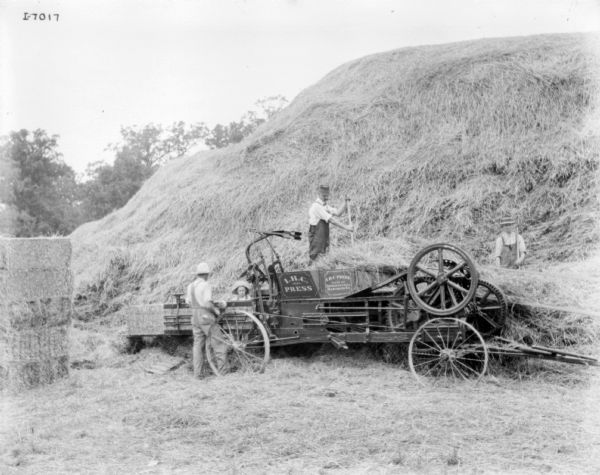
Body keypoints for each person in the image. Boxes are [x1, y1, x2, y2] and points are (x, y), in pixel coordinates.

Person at [185, 262, 228, 378]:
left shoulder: (190, 286)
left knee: (198, 346)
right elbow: (207, 303)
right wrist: (216, 311)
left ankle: (197, 374)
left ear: (197, 274)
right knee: (218, 343)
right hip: (205, 317)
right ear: (206, 274)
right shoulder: (205, 285)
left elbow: (188, 302)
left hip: (194, 317)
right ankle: (222, 373)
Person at [308, 184, 354, 262]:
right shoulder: (316, 207)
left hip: (324, 239)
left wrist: (345, 202)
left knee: (325, 258)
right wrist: (347, 227)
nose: (326, 197)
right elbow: (331, 220)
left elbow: (338, 213)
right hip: (316, 240)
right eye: (324, 196)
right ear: (319, 194)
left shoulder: (325, 206)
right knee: (317, 260)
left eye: (327, 195)